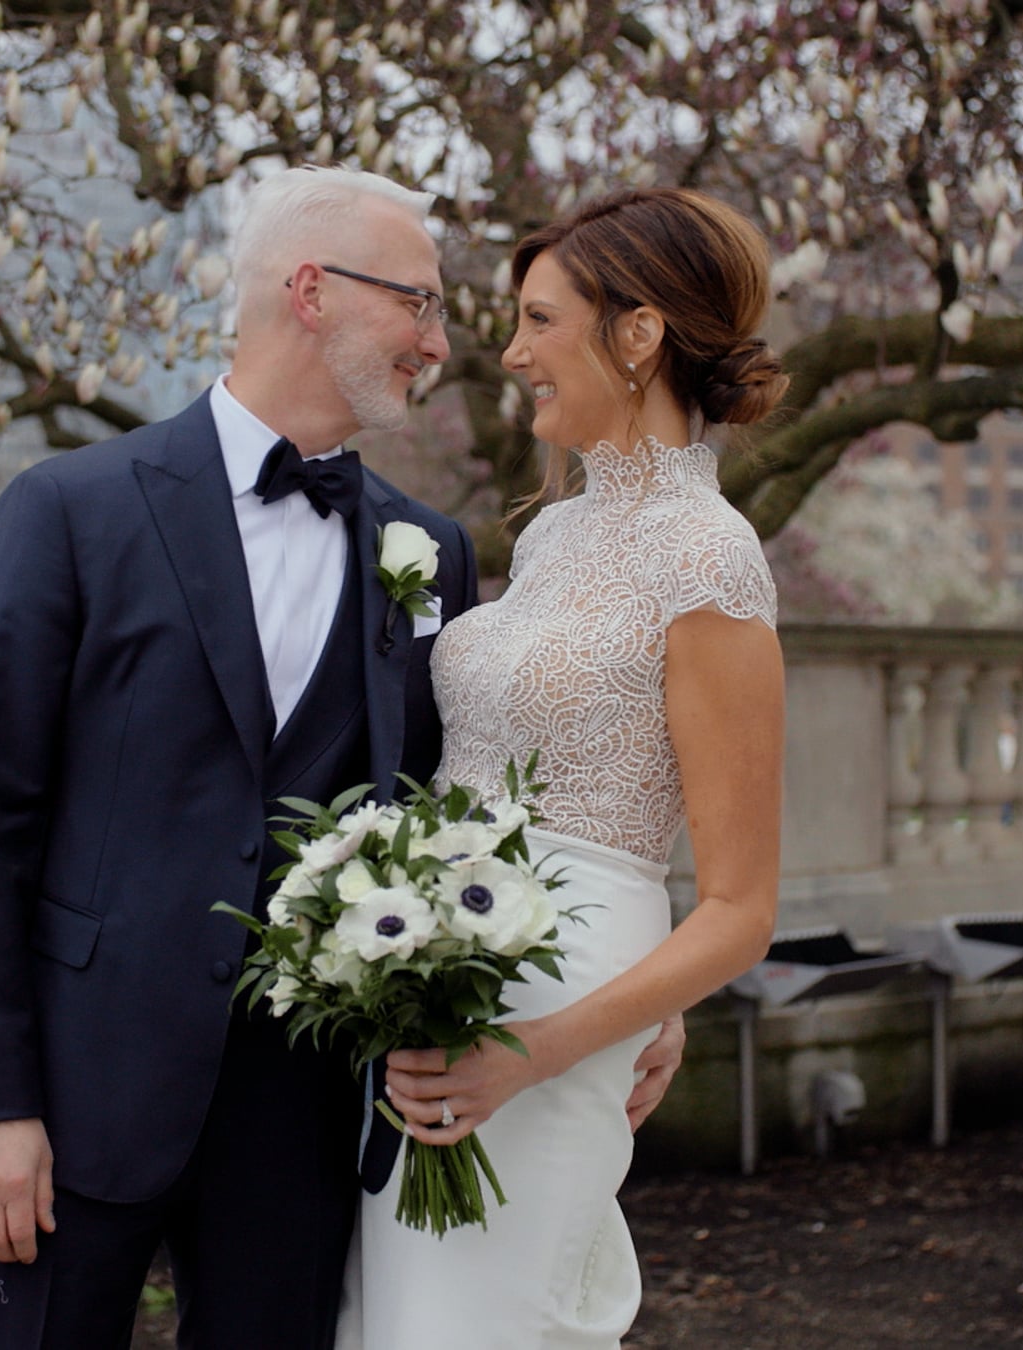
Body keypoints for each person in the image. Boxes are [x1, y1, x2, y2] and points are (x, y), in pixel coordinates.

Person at [0, 165, 687, 1350]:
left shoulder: (429, 550)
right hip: (74, 1096)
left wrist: (638, 994)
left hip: (307, 1120)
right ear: (310, 291)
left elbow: (476, 811)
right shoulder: (69, 510)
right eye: (418, 304)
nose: (440, 344)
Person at [338, 187, 789, 1349]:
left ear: (637, 335)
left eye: (540, 321)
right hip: (443, 989)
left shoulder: (712, 559)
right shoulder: (551, 532)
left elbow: (740, 911)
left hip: (550, 1036)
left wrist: (532, 1053)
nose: (511, 352)